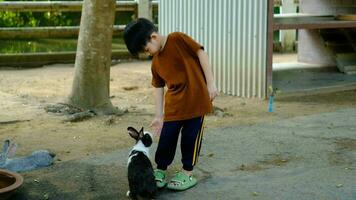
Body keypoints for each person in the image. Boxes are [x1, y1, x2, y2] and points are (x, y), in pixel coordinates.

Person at [123, 18, 218, 191]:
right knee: (167, 138)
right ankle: (160, 170)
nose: (148, 53)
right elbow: (158, 87)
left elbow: (201, 53)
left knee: (190, 139)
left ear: (153, 37)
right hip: (174, 106)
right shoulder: (156, 62)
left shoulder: (178, 39)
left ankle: (187, 172)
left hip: (196, 103)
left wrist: (211, 83)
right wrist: (159, 115)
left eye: (146, 49)